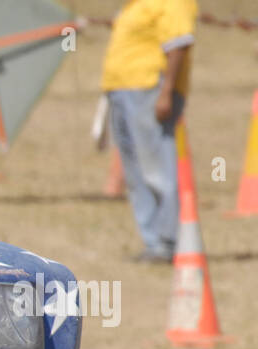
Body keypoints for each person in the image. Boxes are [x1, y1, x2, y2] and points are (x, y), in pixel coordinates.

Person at [100, 0, 197, 263]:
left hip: (149, 91)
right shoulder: (134, 5)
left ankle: (169, 242)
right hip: (123, 90)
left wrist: (166, 93)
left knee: (157, 168)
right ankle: (153, 242)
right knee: (136, 172)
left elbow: (179, 44)